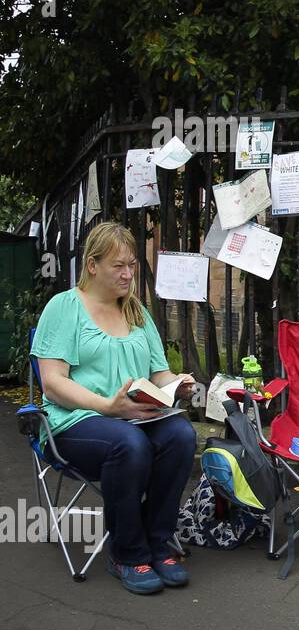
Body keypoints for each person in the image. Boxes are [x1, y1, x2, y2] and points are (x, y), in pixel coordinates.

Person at [32, 222, 198, 594]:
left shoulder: (136, 311)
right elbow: (53, 383)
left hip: (134, 417)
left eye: (133, 265)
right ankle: (127, 553)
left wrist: (177, 386)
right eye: (118, 266)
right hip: (75, 422)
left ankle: (158, 543)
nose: (128, 274)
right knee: (128, 444)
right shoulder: (64, 308)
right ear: (92, 265)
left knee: (181, 436)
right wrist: (108, 406)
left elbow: (159, 373)